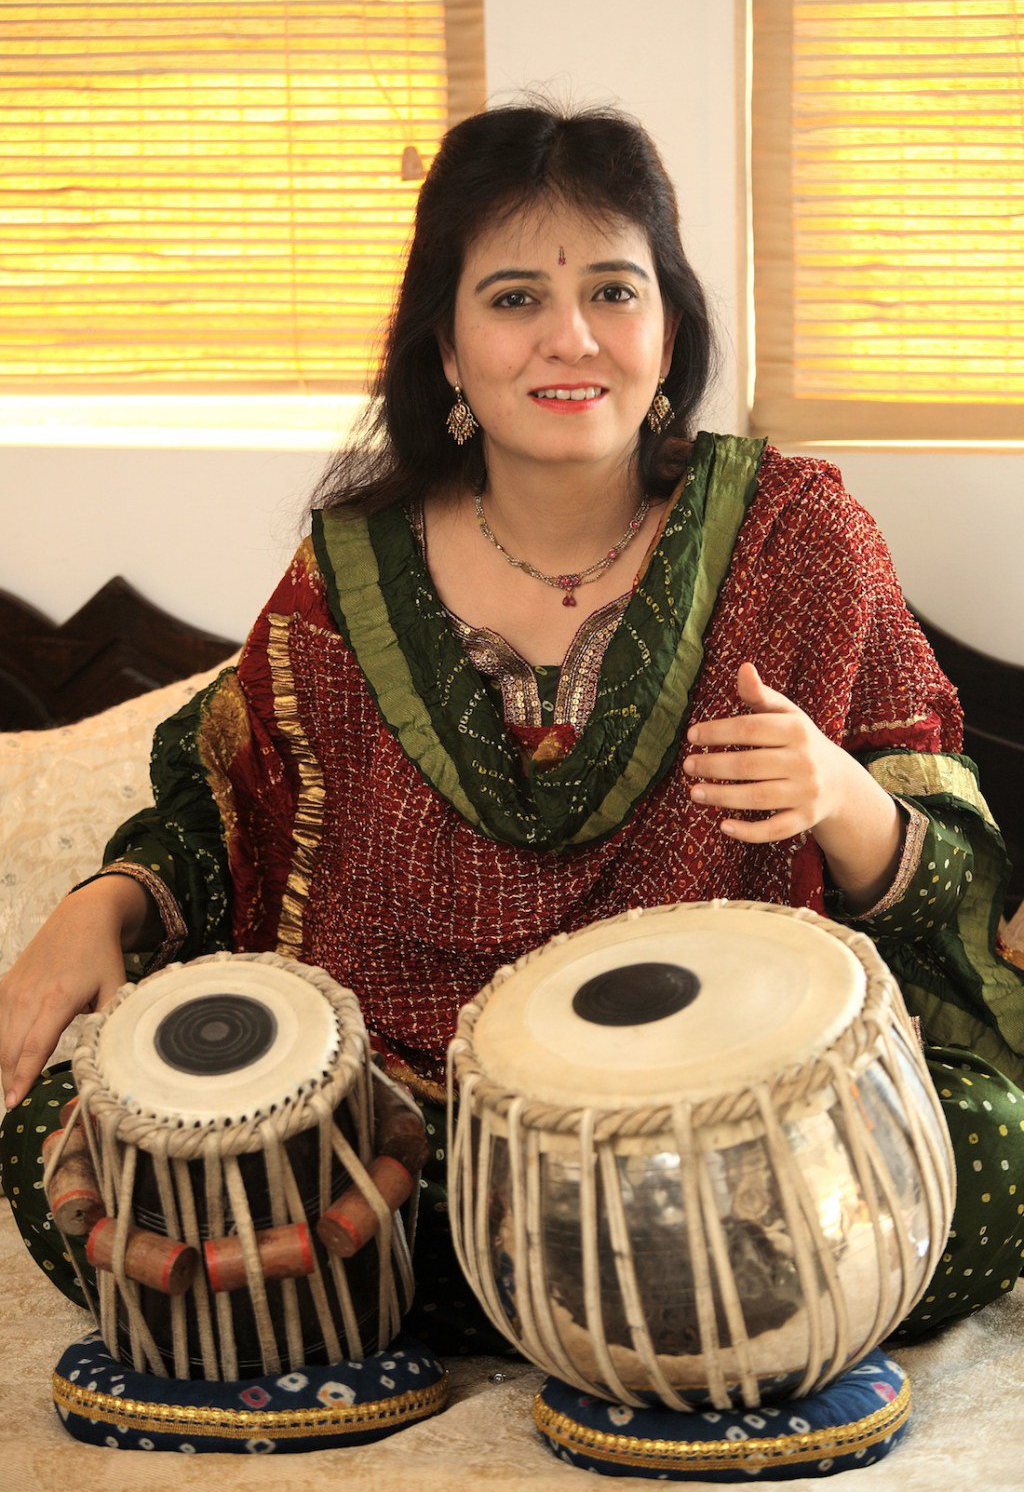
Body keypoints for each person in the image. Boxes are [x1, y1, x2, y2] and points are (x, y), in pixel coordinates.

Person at [1, 103, 1022, 1356]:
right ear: (444, 346)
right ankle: (597, 1296)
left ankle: (429, 1292)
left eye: (612, 291)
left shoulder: (795, 535)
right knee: (57, 1139)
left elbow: (958, 878)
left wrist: (840, 799)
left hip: (722, 1130)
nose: (570, 337)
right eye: (514, 298)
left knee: (989, 1141)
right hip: (416, 1131)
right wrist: (101, 903)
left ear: (668, 326)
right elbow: (230, 811)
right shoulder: (352, 574)